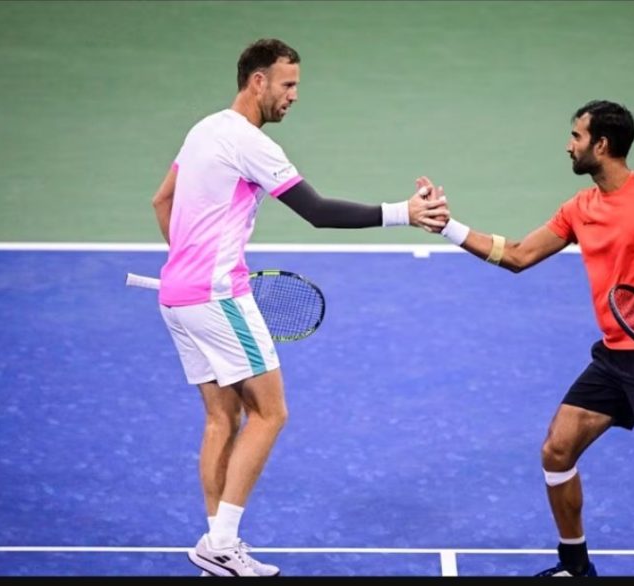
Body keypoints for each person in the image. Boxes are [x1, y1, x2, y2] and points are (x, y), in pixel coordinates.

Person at [149, 38, 448, 577]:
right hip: (219, 296)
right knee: (271, 412)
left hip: (178, 296)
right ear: (257, 81)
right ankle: (220, 543)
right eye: (288, 85)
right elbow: (315, 211)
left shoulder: (204, 129)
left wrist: (186, 263)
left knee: (223, 416)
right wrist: (403, 212)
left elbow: (161, 202)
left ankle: (218, 546)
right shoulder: (250, 143)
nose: (294, 96)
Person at [422, 100, 634, 577]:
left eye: (576, 136)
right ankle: (576, 567)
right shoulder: (579, 208)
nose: (569, 144)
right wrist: (449, 228)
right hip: (613, 358)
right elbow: (519, 255)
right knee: (557, 450)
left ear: (601, 145)